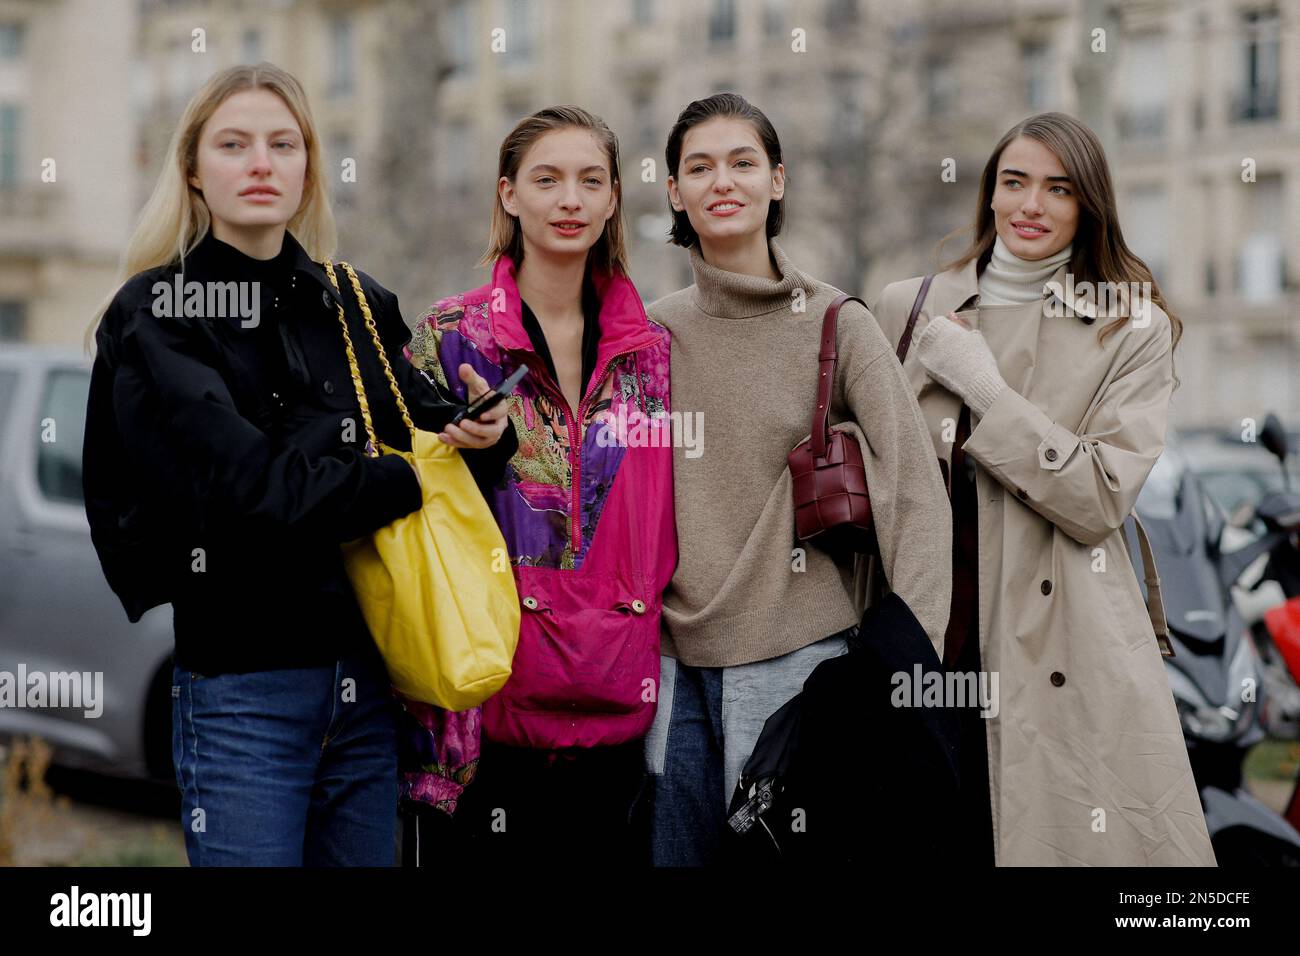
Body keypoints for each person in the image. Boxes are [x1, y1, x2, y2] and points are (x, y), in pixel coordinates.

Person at [82, 63, 514, 867]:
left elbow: (435, 439)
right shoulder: (156, 312)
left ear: (310, 166)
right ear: (192, 171)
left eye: (284, 144)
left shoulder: (354, 303)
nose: (261, 163)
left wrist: (485, 431)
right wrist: (401, 480)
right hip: (243, 692)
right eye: (234, 144)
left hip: (370, 683)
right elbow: (248, 493)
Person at [870, 111, 1216, 866]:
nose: (1031, 205)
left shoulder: (1130, 328)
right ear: (988, 194)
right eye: (1014, 182)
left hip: (1059, 654)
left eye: (1058, 189)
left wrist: (988, 396)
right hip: (925, 648)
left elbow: (1097, 497)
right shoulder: (909, 307)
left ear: (1088, 206)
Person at [645, 93, 952, 866]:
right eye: (700, 166)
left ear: (776, 180)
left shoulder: (836, 322)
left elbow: (916, 495)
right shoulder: (649, 331)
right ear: (674, 191)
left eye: (743, 162)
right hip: (668, 665)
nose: (724, 181)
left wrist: (907, 668)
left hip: (799, 658)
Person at [398, 106, 674, 866]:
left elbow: (659, 523)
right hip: (478, 718)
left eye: (591, 181)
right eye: (546, 180)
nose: (570, 200)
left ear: (615, 198)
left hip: (616, 711)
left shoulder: (653, 354)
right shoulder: (449, 336)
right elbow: (402, 507)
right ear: (508, 194)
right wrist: (460, 448)